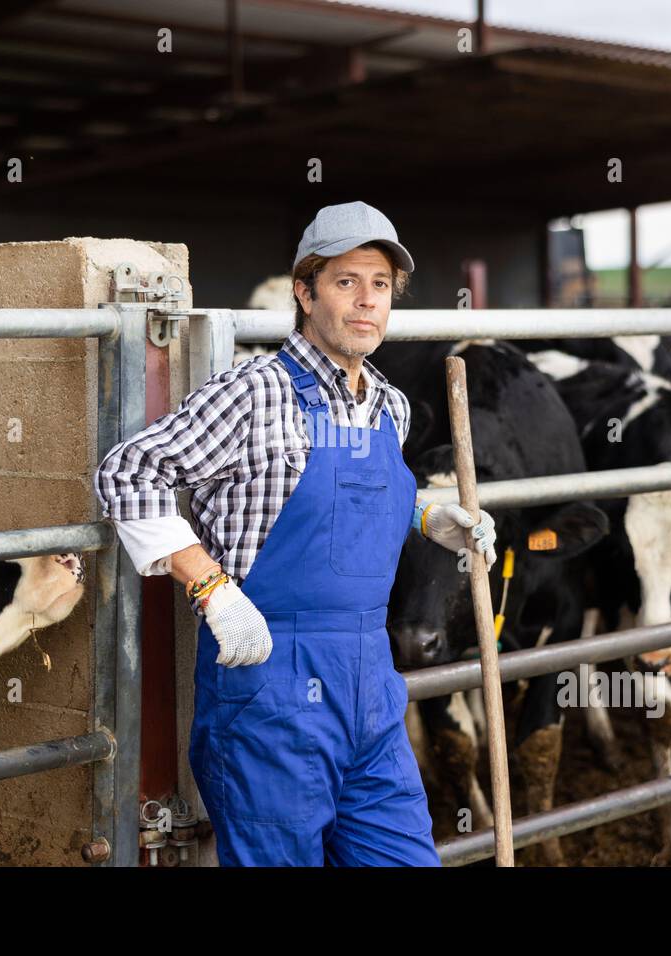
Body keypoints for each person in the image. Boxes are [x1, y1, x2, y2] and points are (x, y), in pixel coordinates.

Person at [94, 200, 498, 866]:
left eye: (379, 285)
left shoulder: (389, 406)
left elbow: (367, 499)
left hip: (372, 690)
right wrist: (213, 590)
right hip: (271, 692)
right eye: (346, 282)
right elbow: (129, 473)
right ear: (305, 293)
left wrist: (429, 516)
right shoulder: (255, 392)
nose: (366, 301)